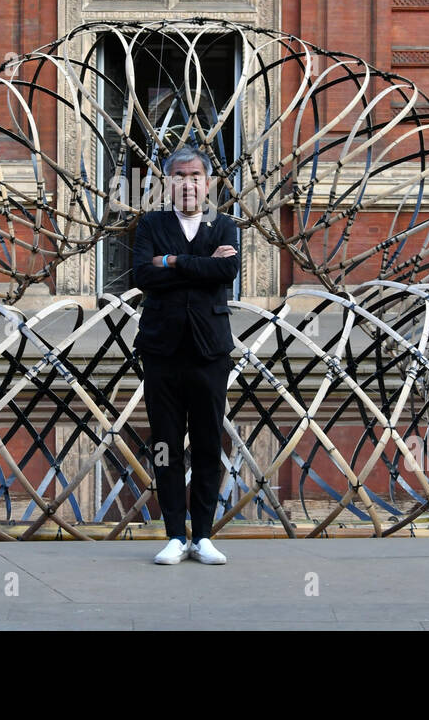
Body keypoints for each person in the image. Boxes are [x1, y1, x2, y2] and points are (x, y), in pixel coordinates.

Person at [131, 145, 240, 565]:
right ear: (167, 182)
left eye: (195, 176)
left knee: (210, 442)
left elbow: (226, 272)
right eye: (179, 176)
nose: (188, 183)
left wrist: (172, 261)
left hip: (210, 349)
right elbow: (143, 275)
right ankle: (176, 535)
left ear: (207, 182)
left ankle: (204, 536)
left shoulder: (224, 225)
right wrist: (197, 265)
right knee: (166, 444)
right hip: (162, 349)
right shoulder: (151, 223)